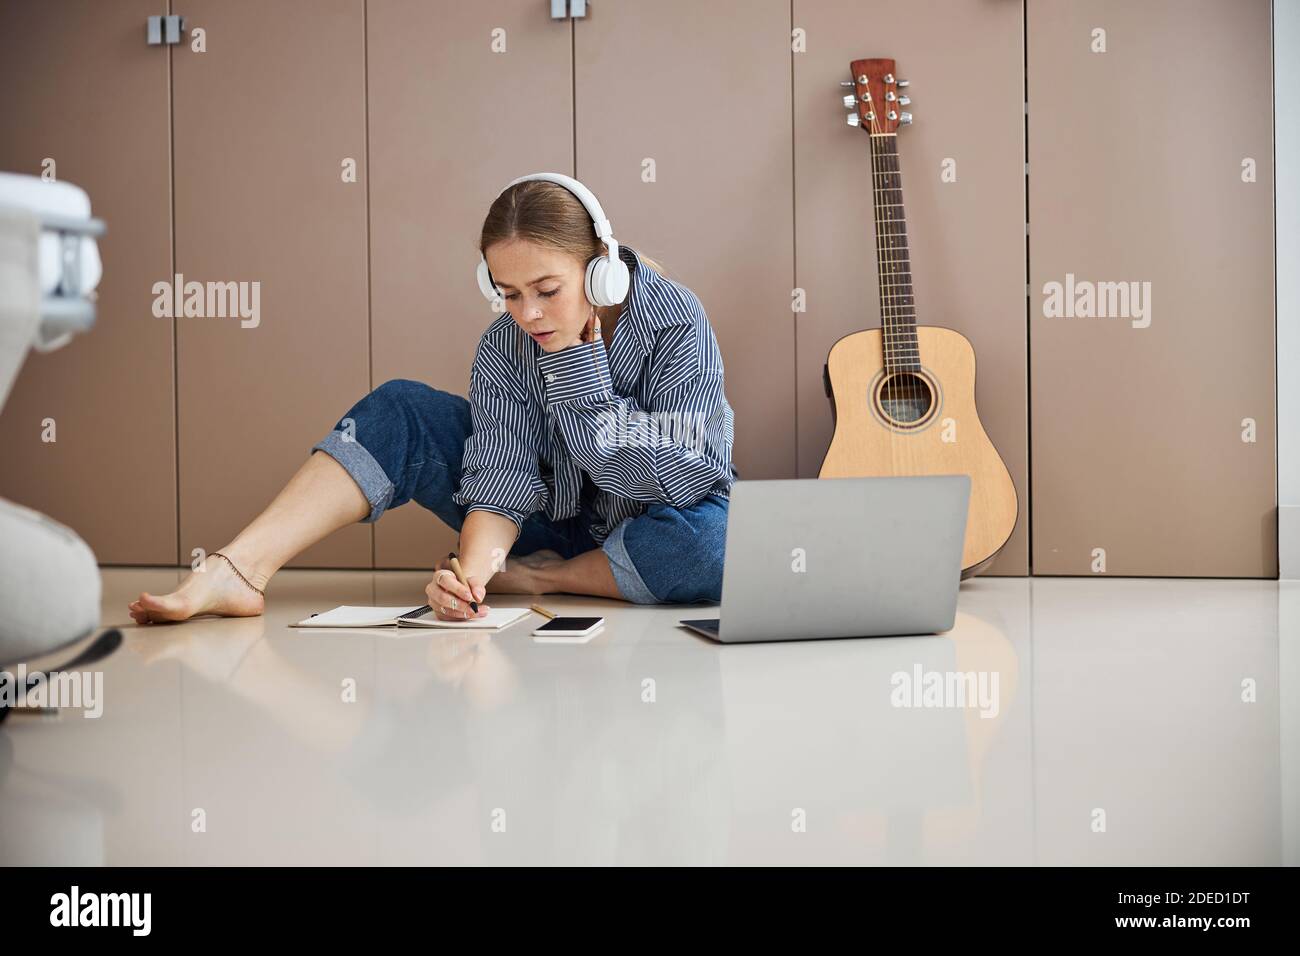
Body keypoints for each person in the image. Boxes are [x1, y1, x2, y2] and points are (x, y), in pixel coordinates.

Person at [129, 173, 737, 625]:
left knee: (722, 541)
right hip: (545, 519)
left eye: (547, 290)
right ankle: (236, 570)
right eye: (508, 293)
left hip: (653, 529)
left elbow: (685, 475)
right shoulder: (505, 342)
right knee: (402, 407)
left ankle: (543, 578)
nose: (527, 313)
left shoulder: (674, 317)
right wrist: (472, 576)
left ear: (600, 270)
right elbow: (503, 479)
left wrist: (575, 369)